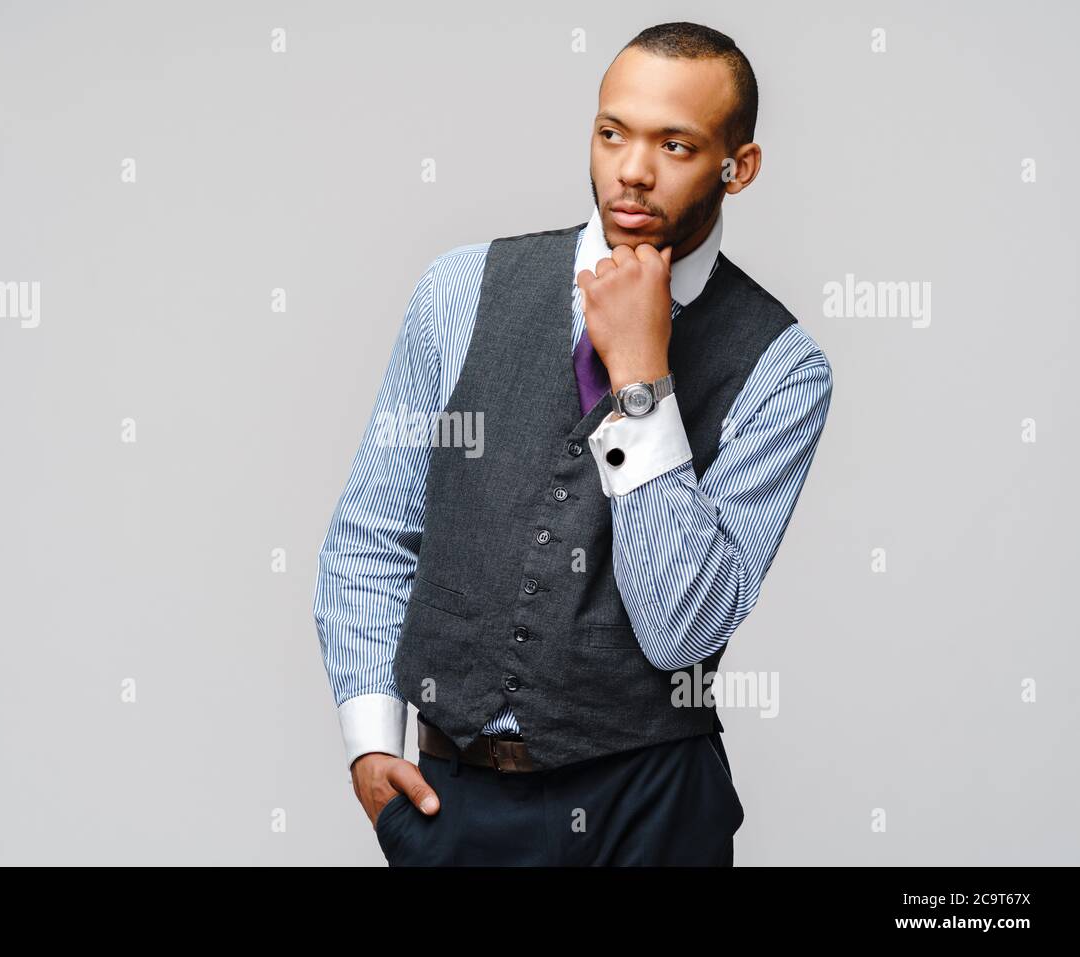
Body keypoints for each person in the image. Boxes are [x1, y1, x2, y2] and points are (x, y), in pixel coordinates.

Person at [313, 21, 833, 865]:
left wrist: (641, 381)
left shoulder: (783, 367)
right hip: (454, 800)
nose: (632, 169)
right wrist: (371, 740)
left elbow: (680, 630)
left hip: (653, 808)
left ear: (738, 167)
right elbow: (373, 534)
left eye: (676, 143)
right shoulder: (460, 289)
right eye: (612, 132)